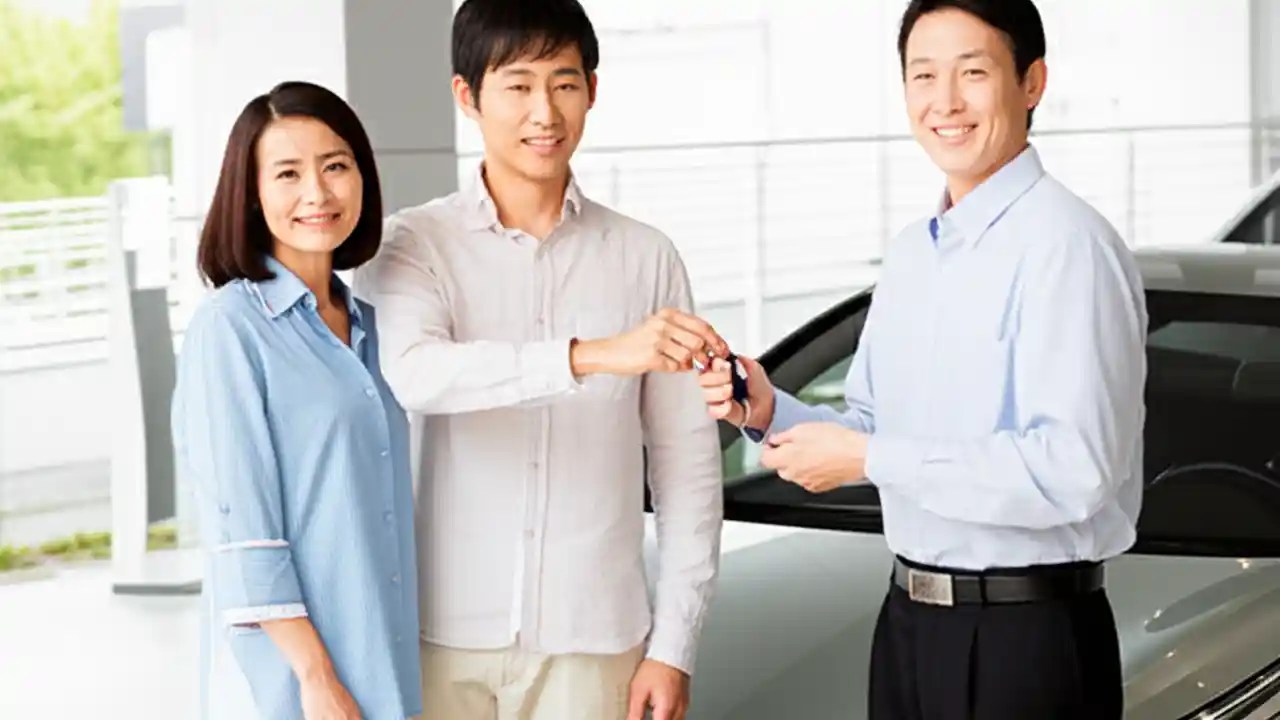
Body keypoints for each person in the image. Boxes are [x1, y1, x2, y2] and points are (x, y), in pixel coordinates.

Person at [698, 1, 1147, 717]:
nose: (945, 102)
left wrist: (871, 458)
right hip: (909, 622)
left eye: (972, 73)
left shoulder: (1069, 249)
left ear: (1032, 83)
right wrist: (769, 407)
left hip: (1024, 637)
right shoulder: (915, 252)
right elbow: (873, 424)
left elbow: (1073, 471)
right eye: (923, 75)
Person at [352, 1, 726, 719]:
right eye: (518, 86)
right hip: (440, 634)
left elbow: (688, 470)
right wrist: (590, 357)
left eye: (563, 82)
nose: (544, 113)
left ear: (592, 88)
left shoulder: (645, 256)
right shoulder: (413, 245)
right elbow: (418, 375)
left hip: (596, 639)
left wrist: (674, 646)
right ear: (468, 96)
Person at [172, 80, 421, 720]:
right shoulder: (230, 328)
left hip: (381, 656)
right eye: (287, 173)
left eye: (335, 166)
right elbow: (242, 527)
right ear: (252, 196)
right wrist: (316, 677)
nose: (317, 192)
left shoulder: (366, 321)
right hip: (292, 680)